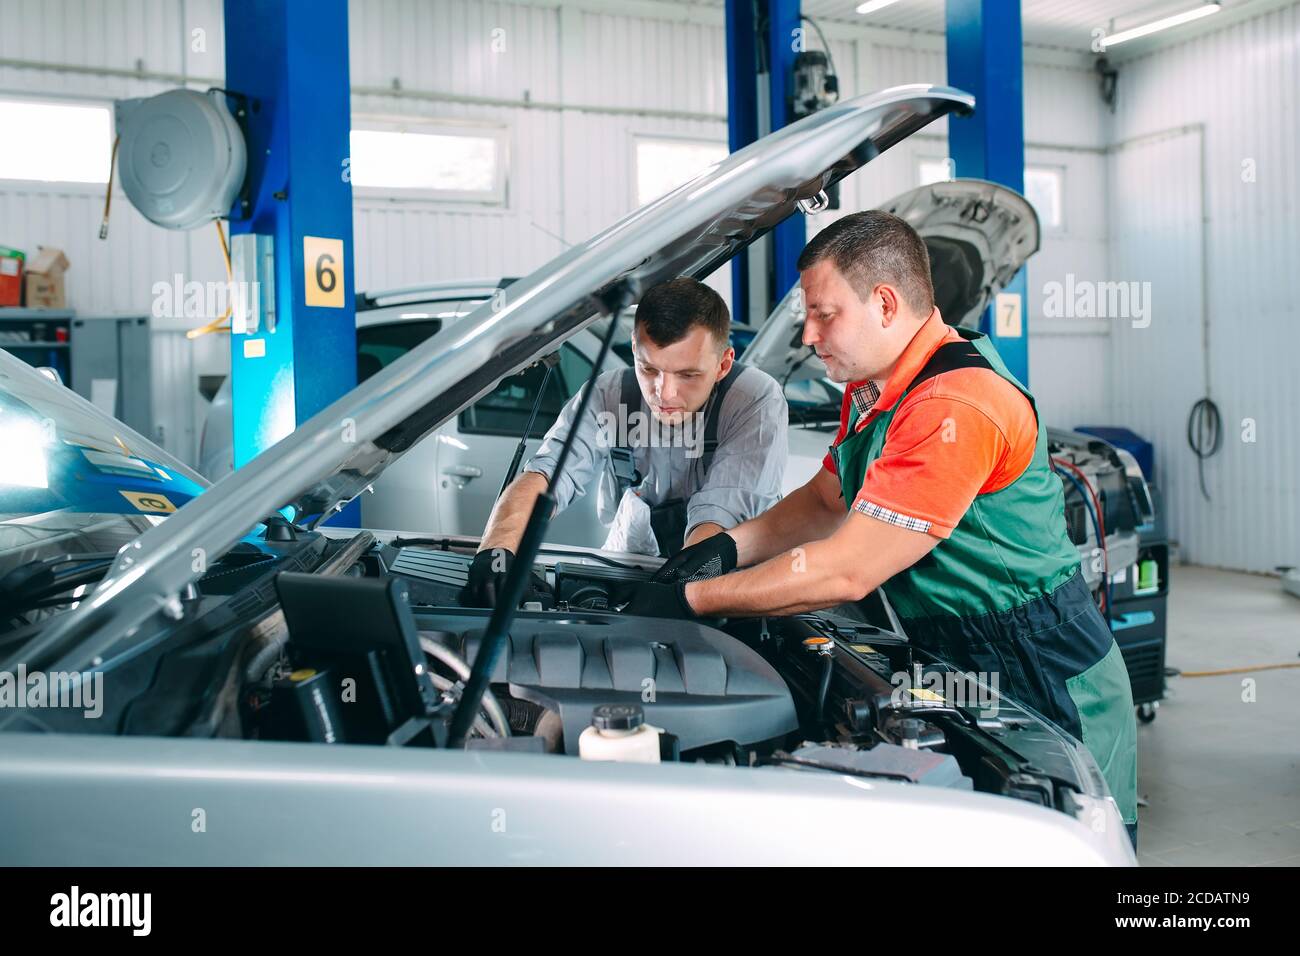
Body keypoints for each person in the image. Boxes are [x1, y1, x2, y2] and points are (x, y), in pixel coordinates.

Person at [624, 211, 1139, 844]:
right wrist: (727, 549)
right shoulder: (877, 386)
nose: (809, 334)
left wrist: (694, 600)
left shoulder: (953, 405)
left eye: (824, 314)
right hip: (955, 651)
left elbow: (848, 570)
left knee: (1064, 845)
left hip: (1040, 667)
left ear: (886, 304)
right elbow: (825, 500)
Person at [463, 276, 789, 607]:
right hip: (630, 568)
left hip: (724, 581)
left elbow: (718, 515)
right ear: (634, 348)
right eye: (649, 369)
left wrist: (678, 592)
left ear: (723, 364)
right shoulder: (610, 395)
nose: (664, 393)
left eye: (688, 375)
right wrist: (497, 551)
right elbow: (547, 474)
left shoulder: (752, 400)